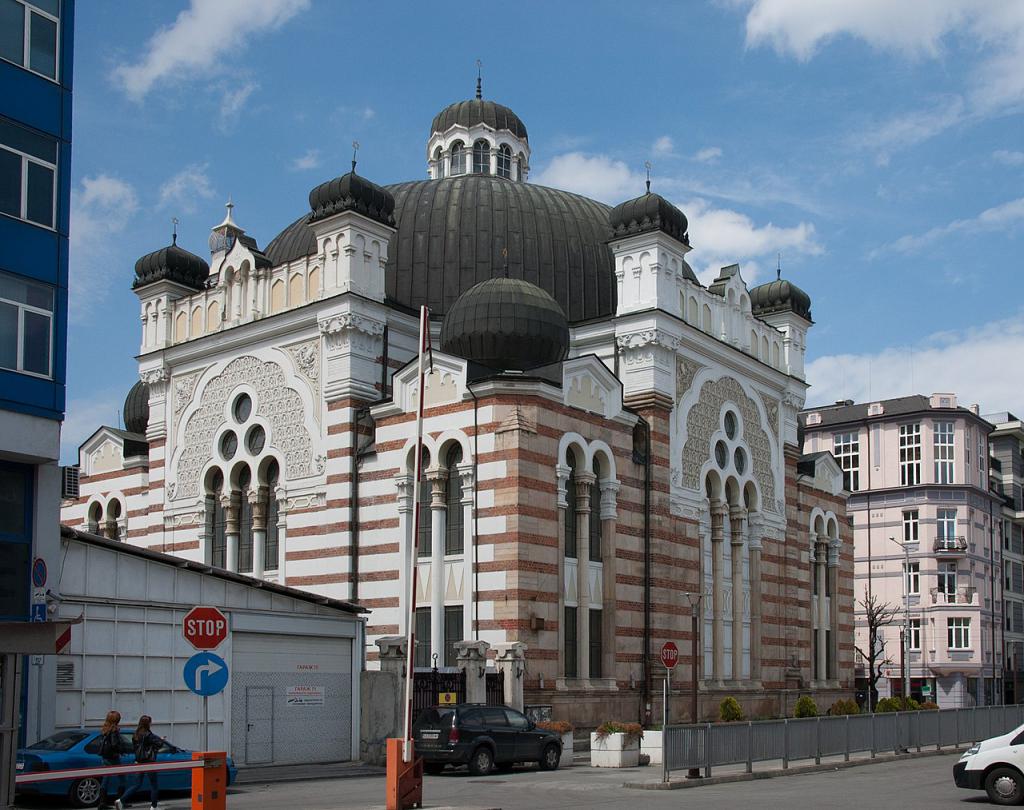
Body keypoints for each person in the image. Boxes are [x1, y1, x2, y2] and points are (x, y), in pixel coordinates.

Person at [115, 715, 163, 810]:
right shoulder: (148, 735)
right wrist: (161, 739)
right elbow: (159, 743)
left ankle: (121, 800)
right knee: (154, 784)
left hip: (138, 761)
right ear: (147, 724)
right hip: (149, 761)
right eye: (150, 722)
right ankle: (154, 806)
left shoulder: (135, 734)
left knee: (136, 784)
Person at [97, 710, 126, 810]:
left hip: (105, 757)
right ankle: (120, 801)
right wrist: (121, 750)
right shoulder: (114, 731)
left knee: (105, 779)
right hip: (113, 757)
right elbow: (114, 744)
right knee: (122, 779)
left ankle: (102, 802)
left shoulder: (105, 729)